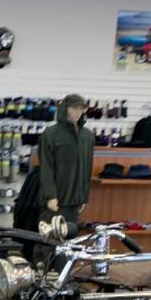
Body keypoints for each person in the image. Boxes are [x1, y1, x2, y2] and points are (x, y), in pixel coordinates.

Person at [38, 93, 95, 231]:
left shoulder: (87, 136)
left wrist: (83, 197)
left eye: (81, 109)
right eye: (73, 108)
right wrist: (50, 196)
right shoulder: (50, 134)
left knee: (69, 239)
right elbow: (46, 167)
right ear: (65, 109)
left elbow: (87, 168)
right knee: (49, 238)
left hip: (75, 200)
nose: (77, 112)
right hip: (56, 199)